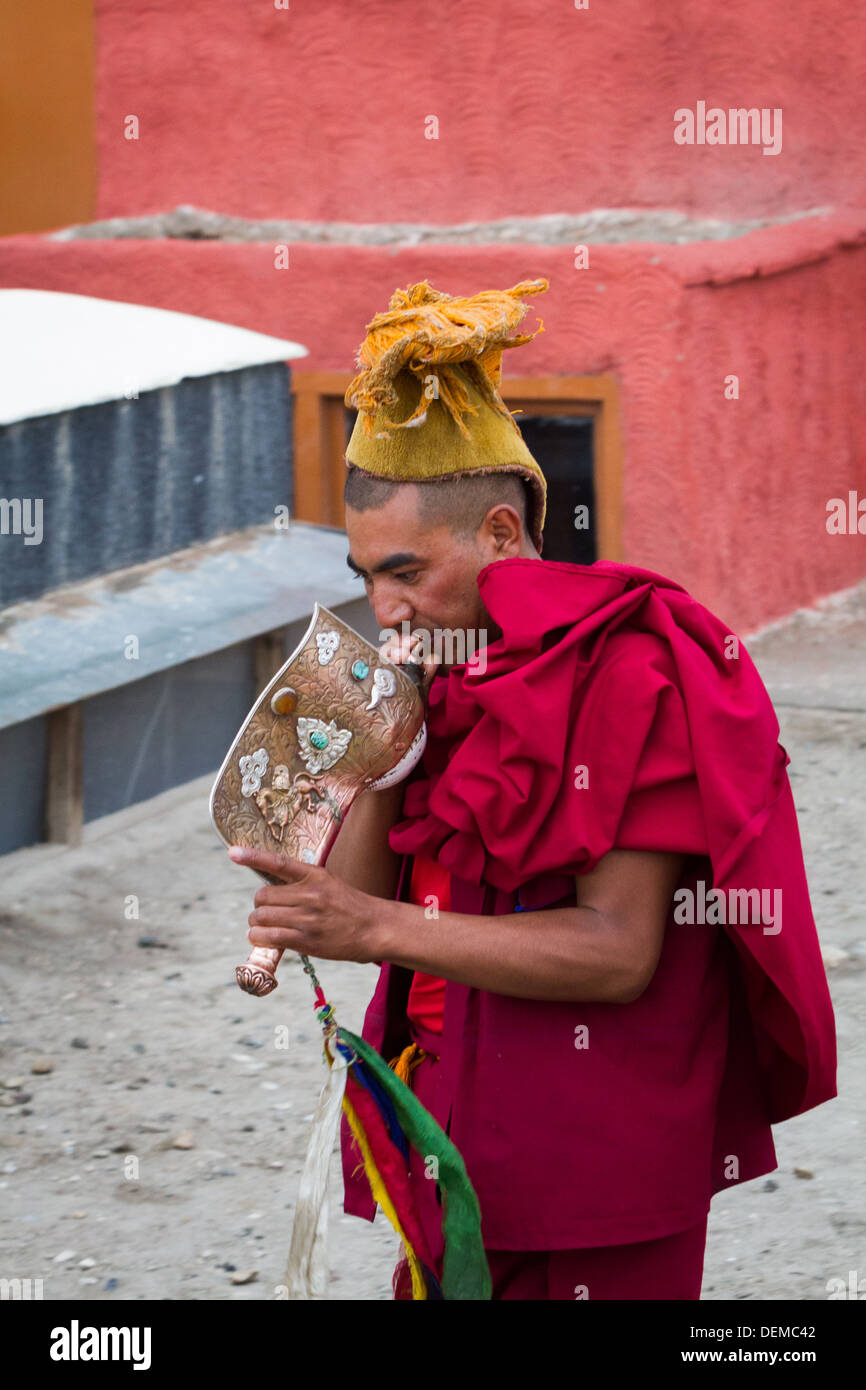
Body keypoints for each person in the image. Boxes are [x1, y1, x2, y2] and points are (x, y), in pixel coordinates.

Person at [234, 278, 837, 1300]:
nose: (384, 607)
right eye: (365, 574)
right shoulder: (443, 678)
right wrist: (389, 737)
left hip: (592, 1169)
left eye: (407, 572)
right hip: (440, 1138)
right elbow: (366, 892)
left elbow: (615, 953)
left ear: (504, 539)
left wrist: (370, 927)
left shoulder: (625, 671)